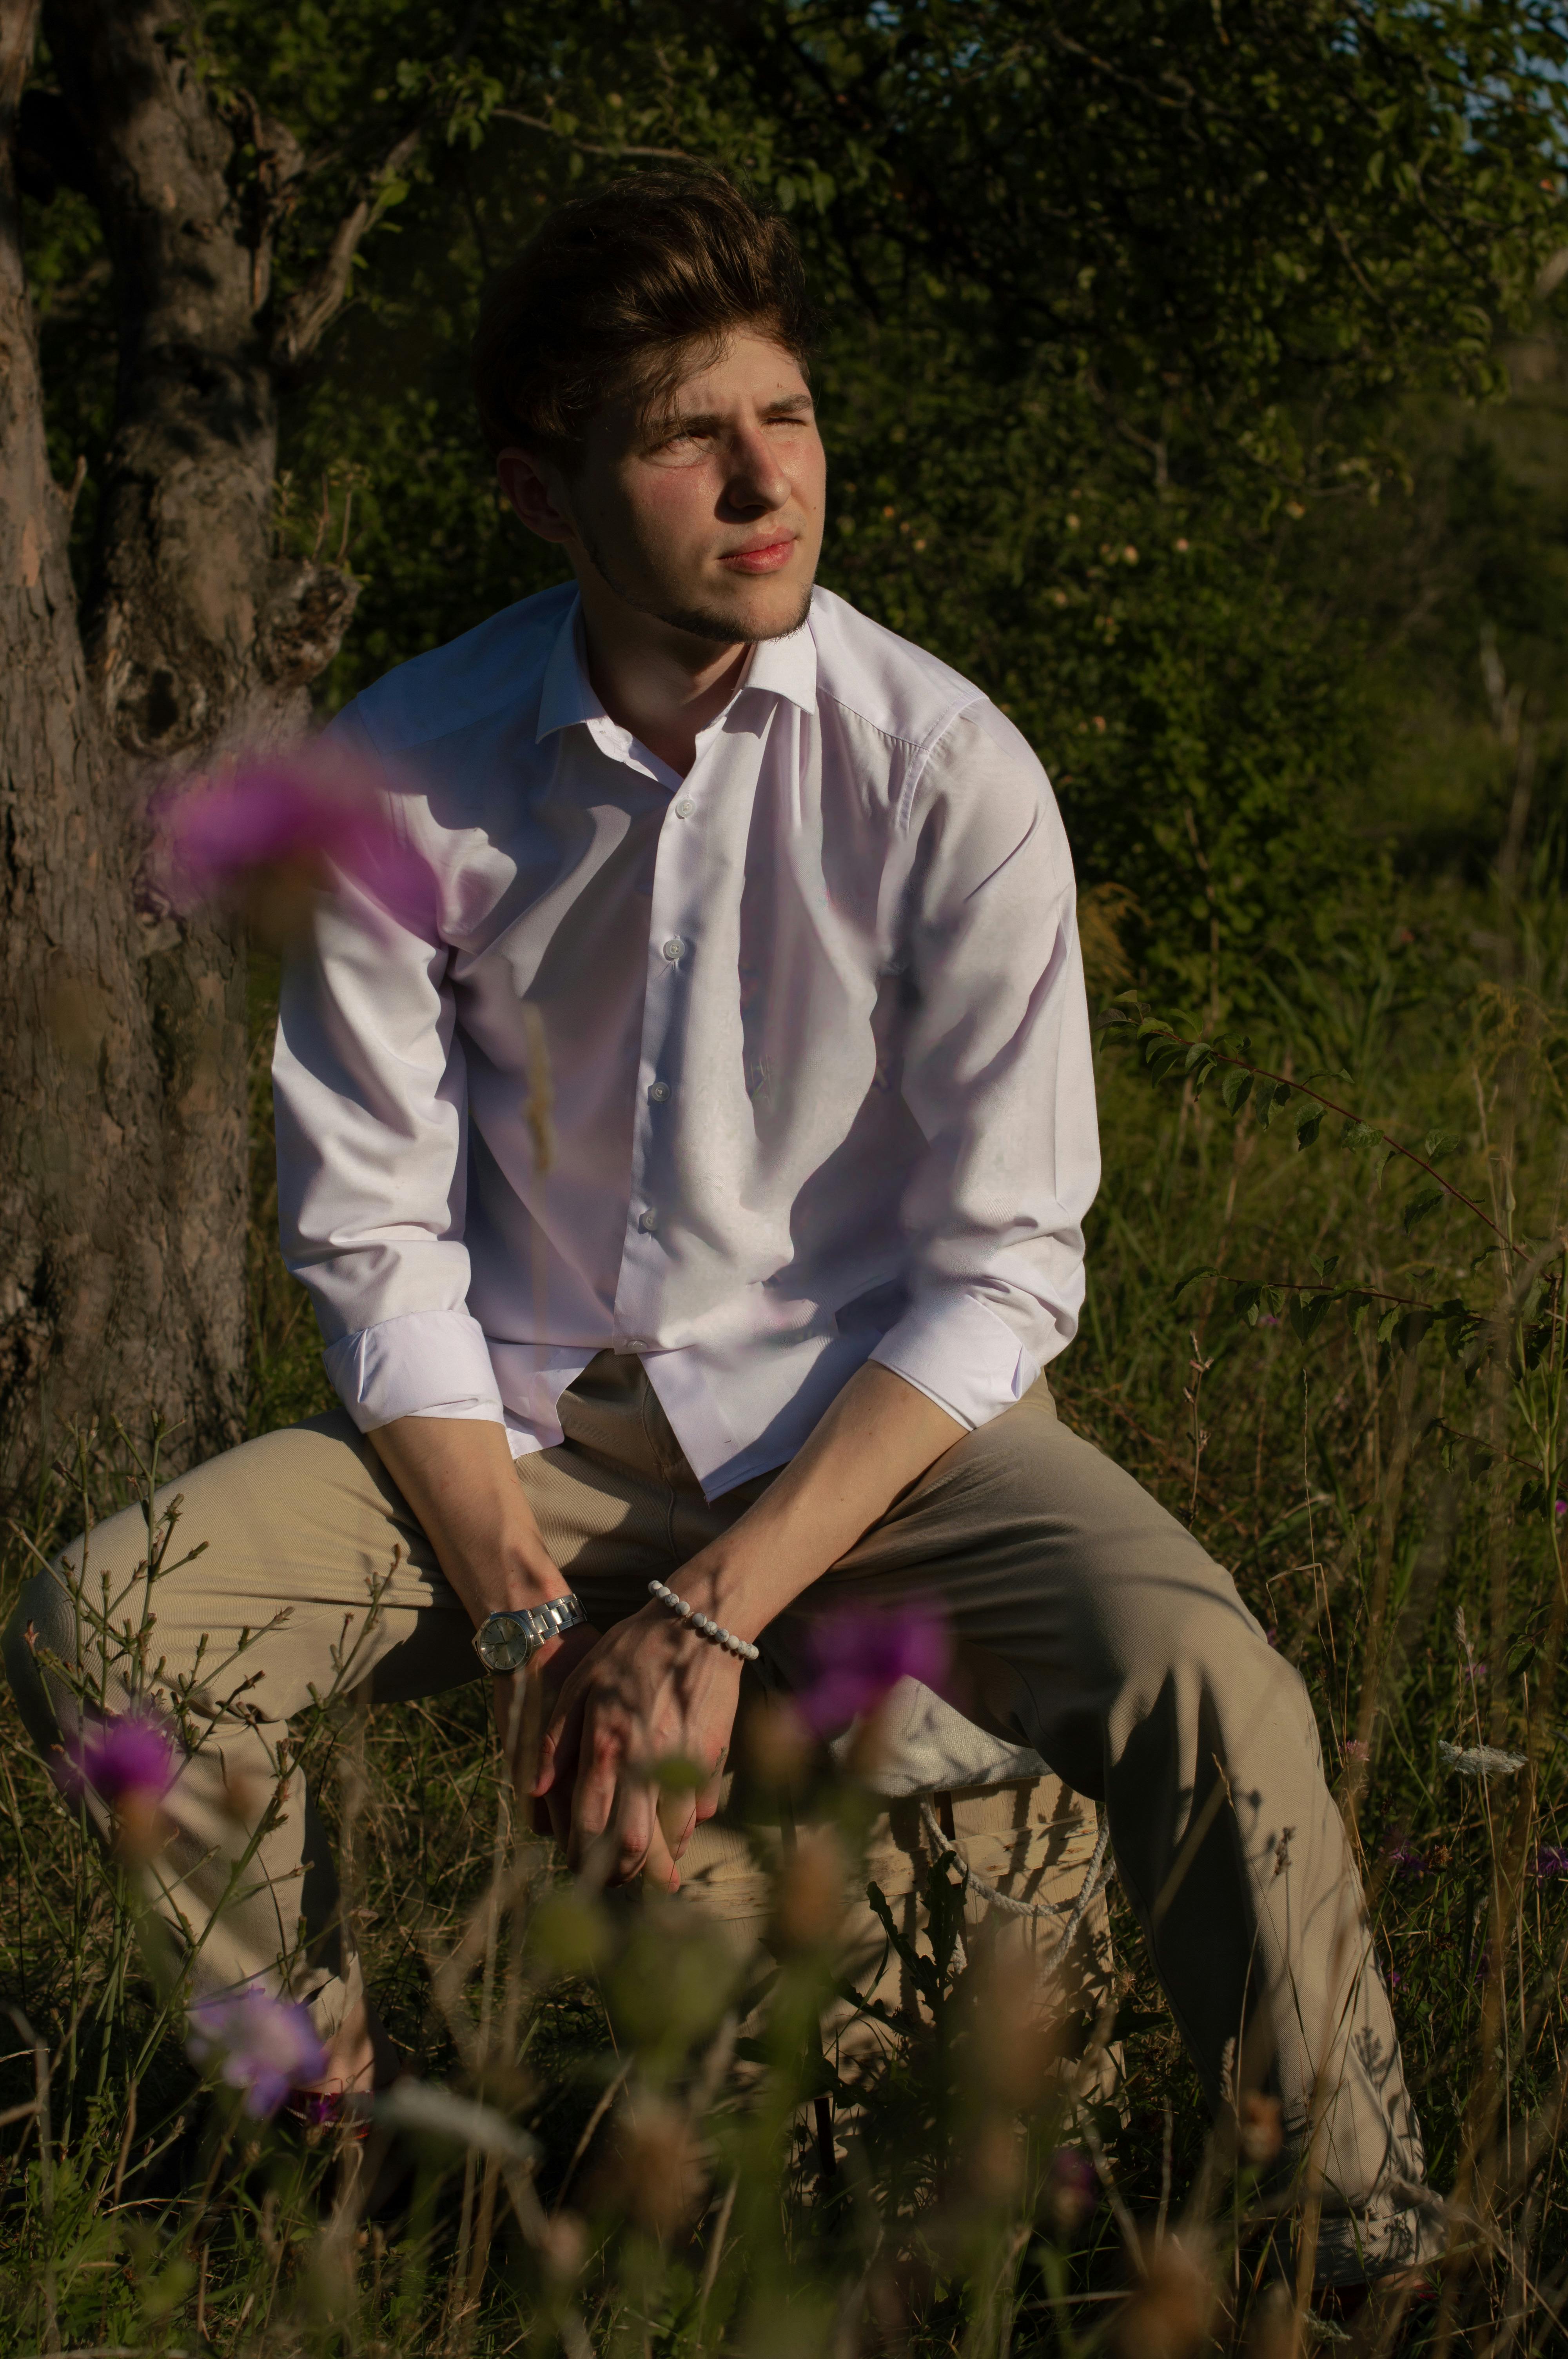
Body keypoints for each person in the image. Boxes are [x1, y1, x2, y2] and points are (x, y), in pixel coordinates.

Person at [5, 172, 1436, 2286]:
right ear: (544, 493)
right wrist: (528, 1620)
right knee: (111, 1627)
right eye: (691, 438)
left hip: (871, 1433)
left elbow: (1007, 1264)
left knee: (1207, 1677)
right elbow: (374, 1236)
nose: (769, 484)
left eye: (790, 417)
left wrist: (715, 1611)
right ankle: (319, 2133)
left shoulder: (947, 770)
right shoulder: (407, 769)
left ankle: (1368, 2247)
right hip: (527, 1434)